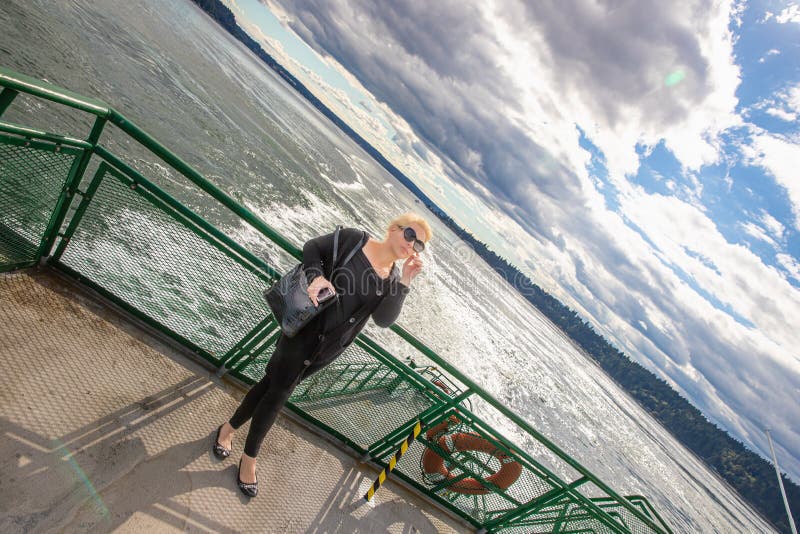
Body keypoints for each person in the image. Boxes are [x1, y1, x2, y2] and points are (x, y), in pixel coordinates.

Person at [213, 213, 432, 497]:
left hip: (327, 351)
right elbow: (313, 248)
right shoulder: (355, 240)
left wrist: (405, 281)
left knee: (272, 384)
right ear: (394, 229)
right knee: (279, 393)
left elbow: (383, 319)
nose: (412, 246)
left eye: (419, 245)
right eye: (410, 235)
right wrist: (315, 277)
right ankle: (249, 459)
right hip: (303, 330)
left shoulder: (391, 279)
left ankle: (228, 430)